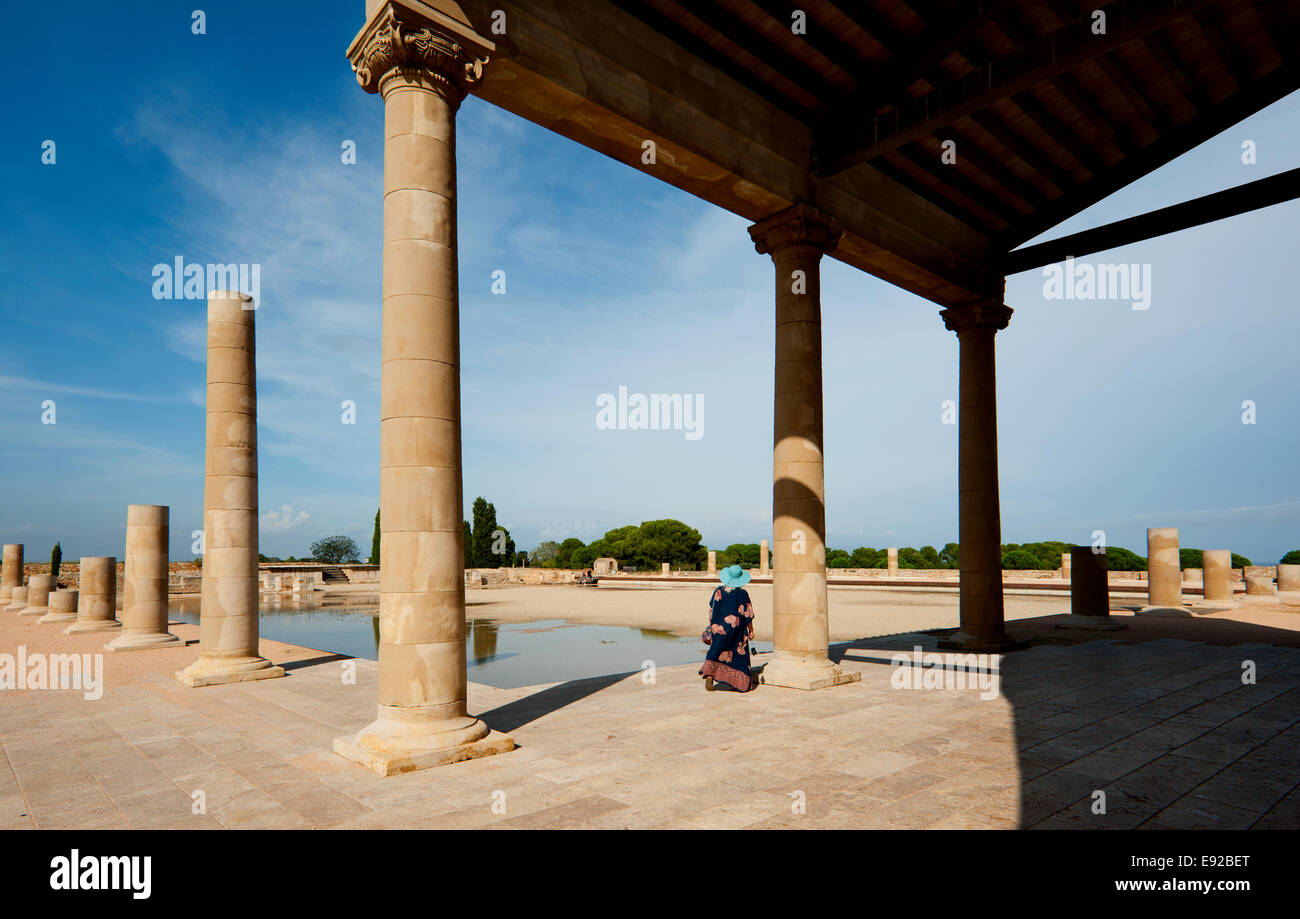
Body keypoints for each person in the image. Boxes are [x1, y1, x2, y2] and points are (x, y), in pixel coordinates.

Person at [699, 564, 757, 692]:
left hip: (718, 628)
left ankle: (710, 675)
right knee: (737, 655)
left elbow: (711, 610)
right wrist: (751, 630)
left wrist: (712, 626)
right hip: (736, 631)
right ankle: (736, 682)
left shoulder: (718, 590)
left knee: (715, 652)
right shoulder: (742, 593)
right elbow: (748, 614)